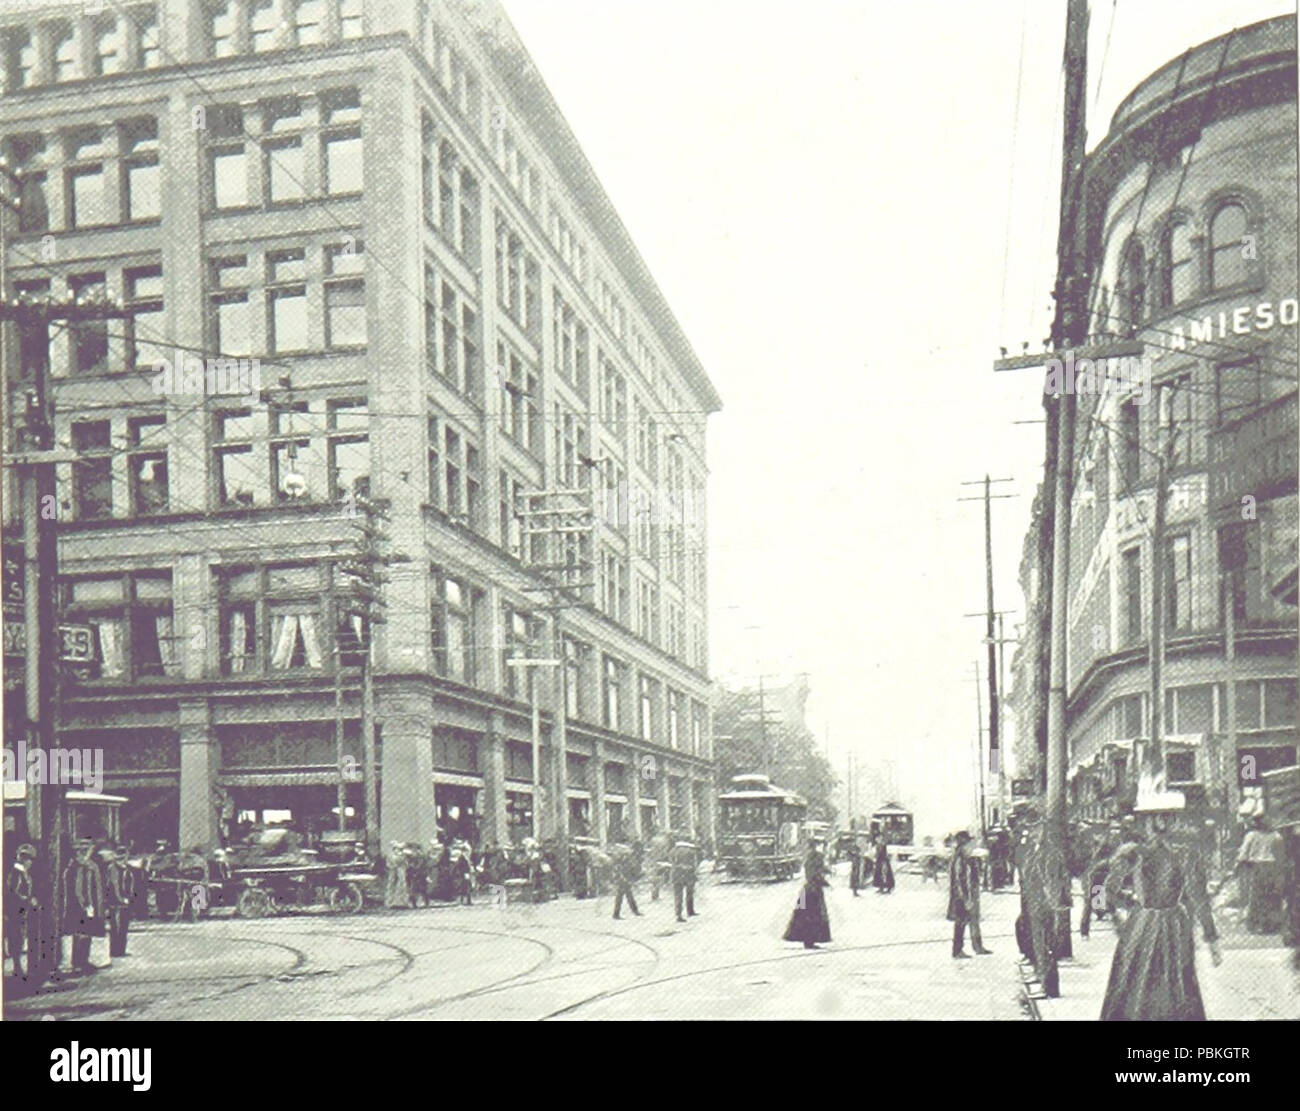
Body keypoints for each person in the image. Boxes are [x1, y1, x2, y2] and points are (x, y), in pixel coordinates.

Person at [1100, 797, 1220, 1020]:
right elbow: (1198, 898)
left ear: (1146, 823)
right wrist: (1211, 938)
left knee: (1134, 978)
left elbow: (1106, 889)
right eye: (1162, 816)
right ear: (1174, 822)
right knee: (1176, 982)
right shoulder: (1184, 854)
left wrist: (1127, 907)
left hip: (1141, 925)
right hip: (1173, 926)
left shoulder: (1134, 852)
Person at [61, 842, 106, 976]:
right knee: (83, 934)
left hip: (84, 906)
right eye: (84, 851)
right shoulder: (81, 868)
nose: (87, 854)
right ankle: (80, 963)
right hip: (82, 907)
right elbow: (79, 889)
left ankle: (80, 962)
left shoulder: (83, 866)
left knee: (83, 934)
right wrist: (86, 905)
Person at [1236, 814, 1285, 935]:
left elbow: (1243, 854)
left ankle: (1257, 924)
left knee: (1256, 896)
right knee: (1272, 896)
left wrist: (1238, 866)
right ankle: (1272, 924)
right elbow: (1281, 855)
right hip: (1272, 867)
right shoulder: (1277, 836)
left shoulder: (1251, 836)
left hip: (1256, 867)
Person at [948, 831, 991, 958]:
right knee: (960, 923)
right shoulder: (960, 859)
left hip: (966, 895)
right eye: (969, 843)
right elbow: (960, 880)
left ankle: (976, 947)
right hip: (962, 897)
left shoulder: (965, 858)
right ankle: (957, 950)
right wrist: (966, 898)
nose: (971, 846)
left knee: (970, 921)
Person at [783, 840, 831, 949]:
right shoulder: (817, 857)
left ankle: (806, 939)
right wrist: (824, 881)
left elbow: (813, 872)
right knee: (814, 916)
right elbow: (815, 874)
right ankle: (810, 940)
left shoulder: (809, 858)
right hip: (814, 890)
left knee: (802, 915)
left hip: (807, 890)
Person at [5, 844, 38, 980]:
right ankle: (17, 967)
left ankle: (17, 967)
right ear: (21, 859)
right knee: (16, 938)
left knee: (19, 938)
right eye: (27, 859)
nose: (30, 862)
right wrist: (28, 900)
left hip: (21, 911)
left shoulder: (23, 872)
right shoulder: (16, 873)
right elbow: (13, 893)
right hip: (15, 911)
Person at [103, 845, 136, 958]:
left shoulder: (125, 868)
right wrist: (121, 899)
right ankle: (115, 951)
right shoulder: (113, 869)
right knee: (116, 927)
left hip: (125, 901)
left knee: (123, 926)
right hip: (116, 902)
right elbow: (115, 885)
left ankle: (121, 950)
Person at [670, 839, 699, 923]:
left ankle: (678, 915)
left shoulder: (673, 850)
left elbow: (670, 860)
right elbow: (694, 863)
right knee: (689, 893)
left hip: (675, 875)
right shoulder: (690, 850)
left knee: (678, 896)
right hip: (688, 875)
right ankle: (690, 911)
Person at [611, 845, 642, 920]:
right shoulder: (619, 860)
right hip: (621, 880)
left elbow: (630, 869)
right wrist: (622, 877)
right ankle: (616, 914)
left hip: (625, 880)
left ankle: (634, 910)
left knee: (628, 896)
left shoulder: (626, 860)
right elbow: (617, 870)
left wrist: (630, 878)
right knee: (621, 897)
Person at [385, 841, 410, 909]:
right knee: (392, 885)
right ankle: (391, 902)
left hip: (400, 872)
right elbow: (390, 863)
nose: (398, 850)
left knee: (402, 885)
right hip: (393, 872)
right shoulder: (391, 855)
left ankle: (402, 902)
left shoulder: (402, 855)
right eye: (396, 848)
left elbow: (406, 864)